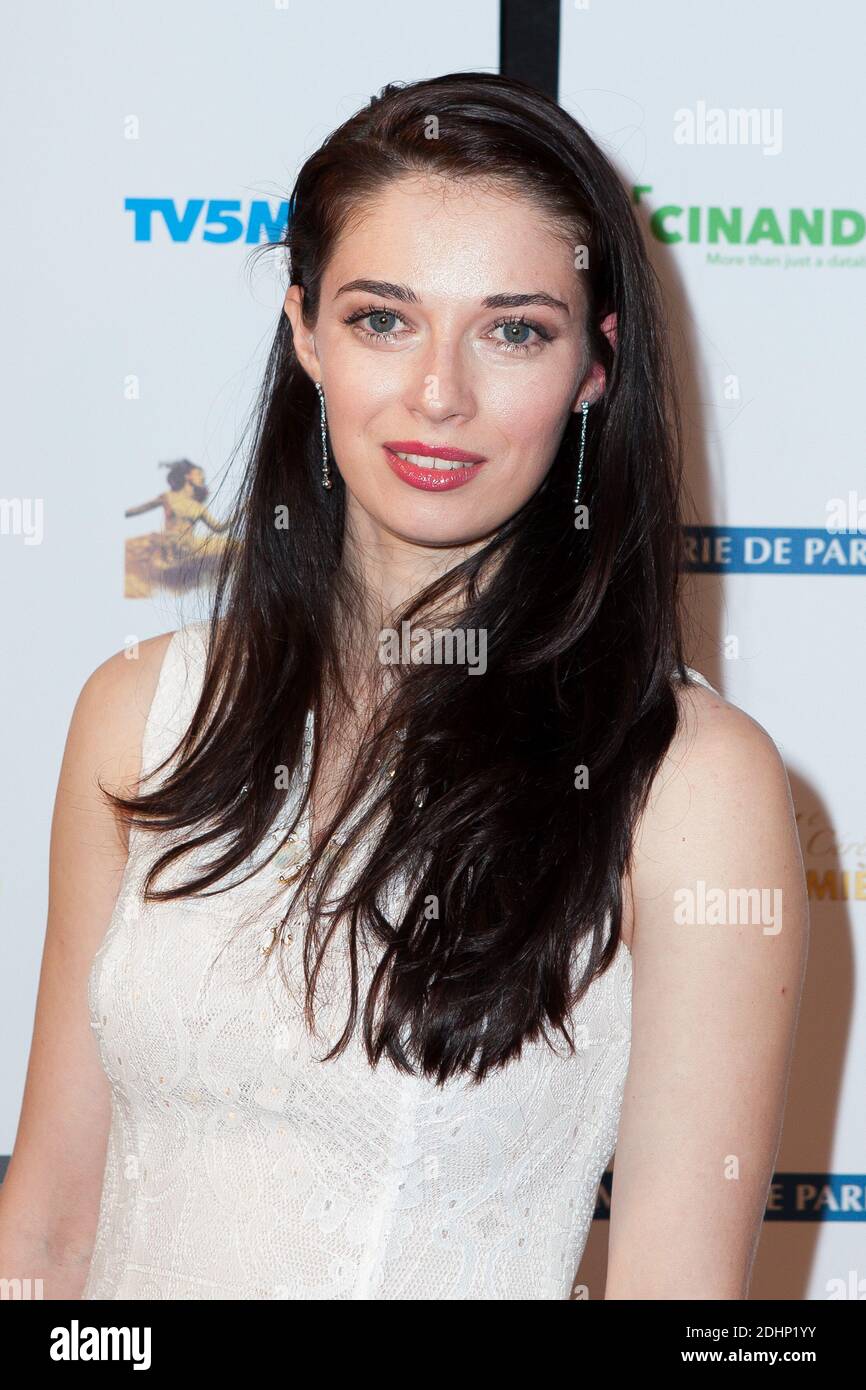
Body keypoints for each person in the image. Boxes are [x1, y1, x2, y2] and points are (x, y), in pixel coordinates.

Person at [0, 72, 808, 1301]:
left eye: (512, 329)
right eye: (384, 318)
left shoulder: (685, 779)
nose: (439, 392)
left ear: (592, 371)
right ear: (305, 331)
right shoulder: (142, 716)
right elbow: (48, 1237)